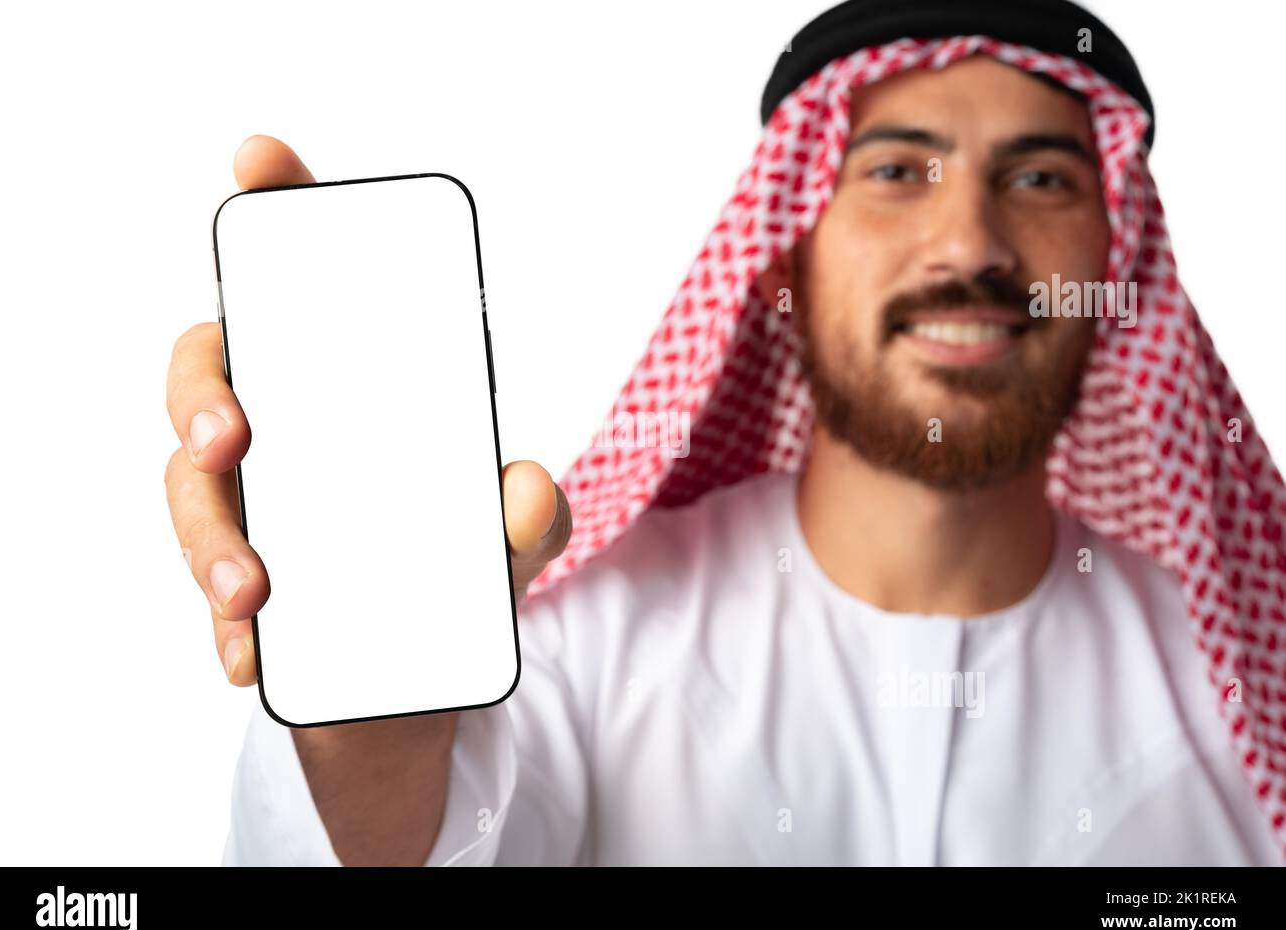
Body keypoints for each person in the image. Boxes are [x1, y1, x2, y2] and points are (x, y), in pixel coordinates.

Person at [165, 0, 1286, 865]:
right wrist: (366, 684)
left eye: (1039, 176)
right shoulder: (578, 646)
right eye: (895, 170)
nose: (969, 242)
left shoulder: (1244, 690)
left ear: (1115, 256)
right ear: (787, 247)